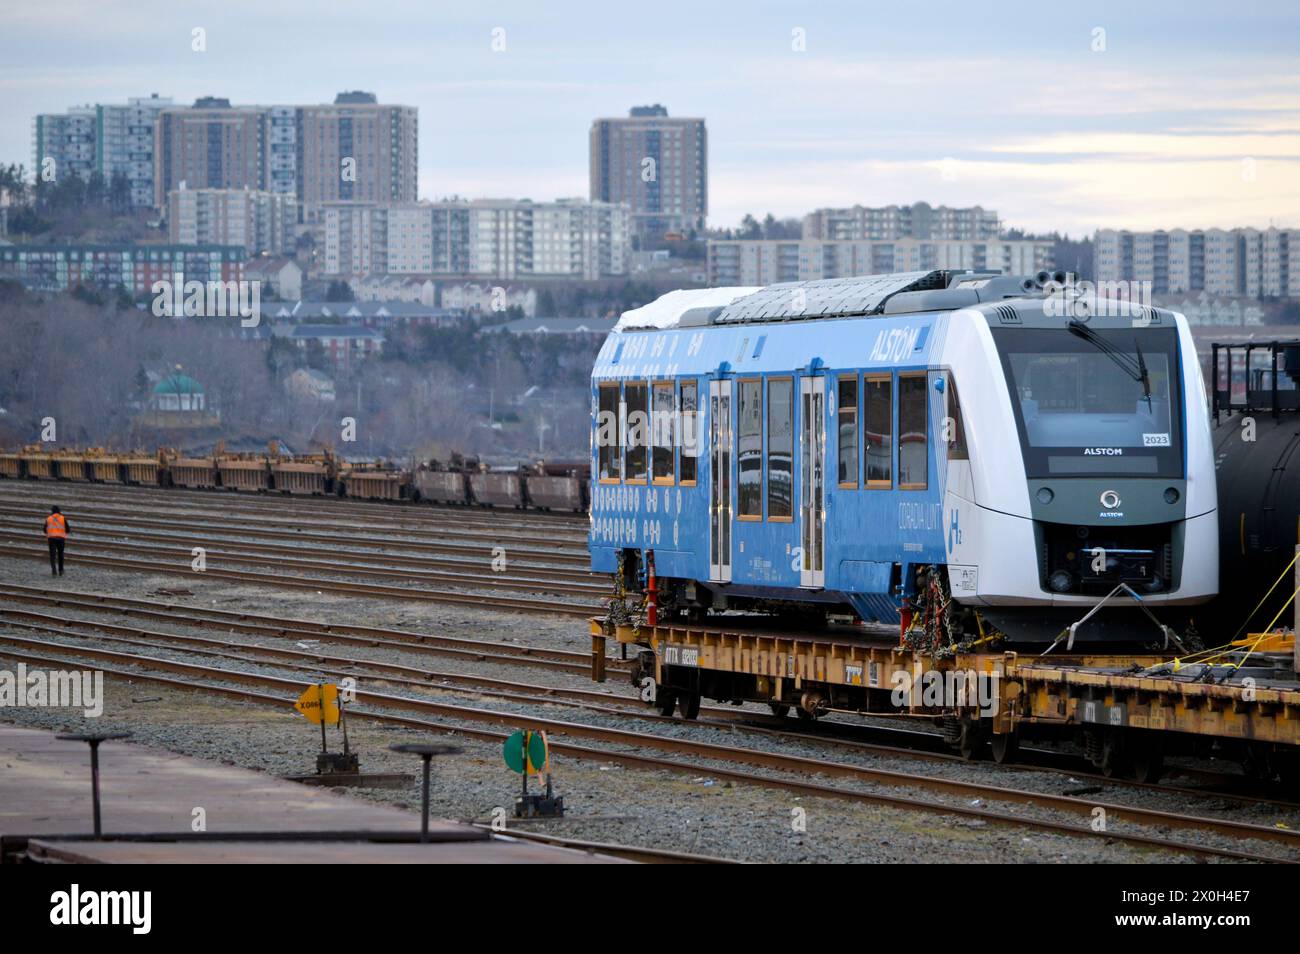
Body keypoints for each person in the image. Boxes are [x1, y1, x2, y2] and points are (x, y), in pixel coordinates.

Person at [44, 505, 69, 576]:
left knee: (52, 555)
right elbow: (68, 529)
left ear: (52, 511)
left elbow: (44, 530)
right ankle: (61, 570)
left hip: (51, 539)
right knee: (60, 554)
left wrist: (50, 533)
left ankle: (54, 571)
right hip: (61, 539)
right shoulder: (63, 518)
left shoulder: (48, 518)